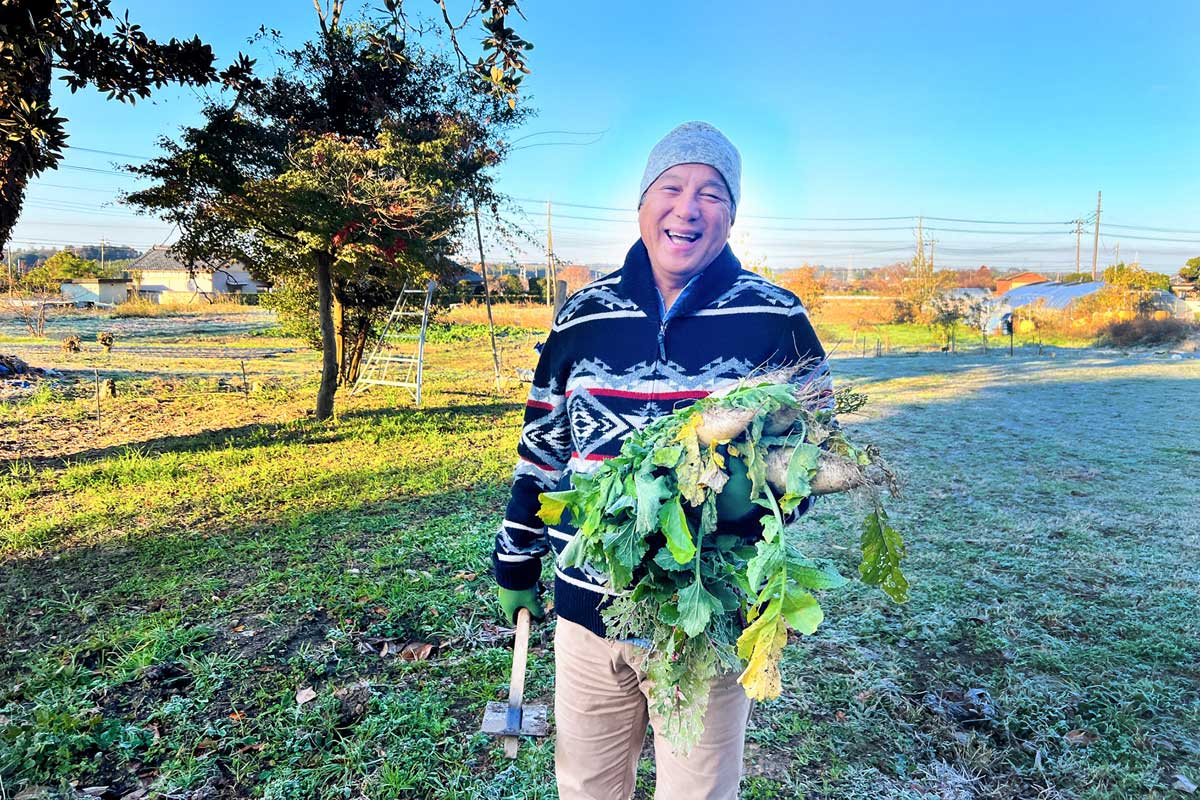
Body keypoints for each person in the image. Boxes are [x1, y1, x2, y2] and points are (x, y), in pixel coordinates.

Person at [493, 121, 832, 800]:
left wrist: (745, 497)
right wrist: (516, 556)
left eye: (711, 193)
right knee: (588, 788)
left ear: (731, 214)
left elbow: (815, 454)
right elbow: (543, 447)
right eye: (672, 188)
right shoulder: (582, 316)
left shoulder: (777, 316)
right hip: (588, 612)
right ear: (643, 204)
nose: (689, 207)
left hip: (703, 617)